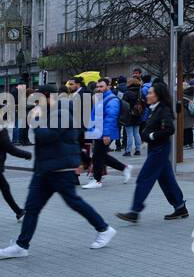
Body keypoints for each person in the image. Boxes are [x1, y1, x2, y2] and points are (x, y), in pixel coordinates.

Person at [0, 92, 116, 258]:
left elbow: (45, 136)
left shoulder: (61, 114)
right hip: (45, 170)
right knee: (32, 207)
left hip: (60, 170)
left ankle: (104, 229)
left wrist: (36, 119)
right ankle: (21, 245)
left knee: (74, 202)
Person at [116, 81, 188, 224]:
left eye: (150, 93)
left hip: (159, 149)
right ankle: (180, 206)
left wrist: (151, 136)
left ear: (158, 95)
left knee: (144, 178)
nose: (147, 95)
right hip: (156, 149)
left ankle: (135, 211)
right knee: (166, 180)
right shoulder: (155, 108)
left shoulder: (163, 109)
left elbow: (169, 130)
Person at [84, 80, 131, 188]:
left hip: (104, 132)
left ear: (108, 86)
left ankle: (97, 180)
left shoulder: (111, 100)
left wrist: (106, 134)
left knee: (97, 156)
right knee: (101, 156)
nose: (99, 88)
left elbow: (111, 118)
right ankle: (124, 168)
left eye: (101, 86)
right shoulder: (102, 98)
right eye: (98, 86)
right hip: (99, 131)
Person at [0, 126, 32, 221]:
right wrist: (27, 154)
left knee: (5, 187)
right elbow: (11, 150)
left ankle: (18, 211)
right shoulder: (1, 133)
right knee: (5, 188)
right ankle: (18, 211)